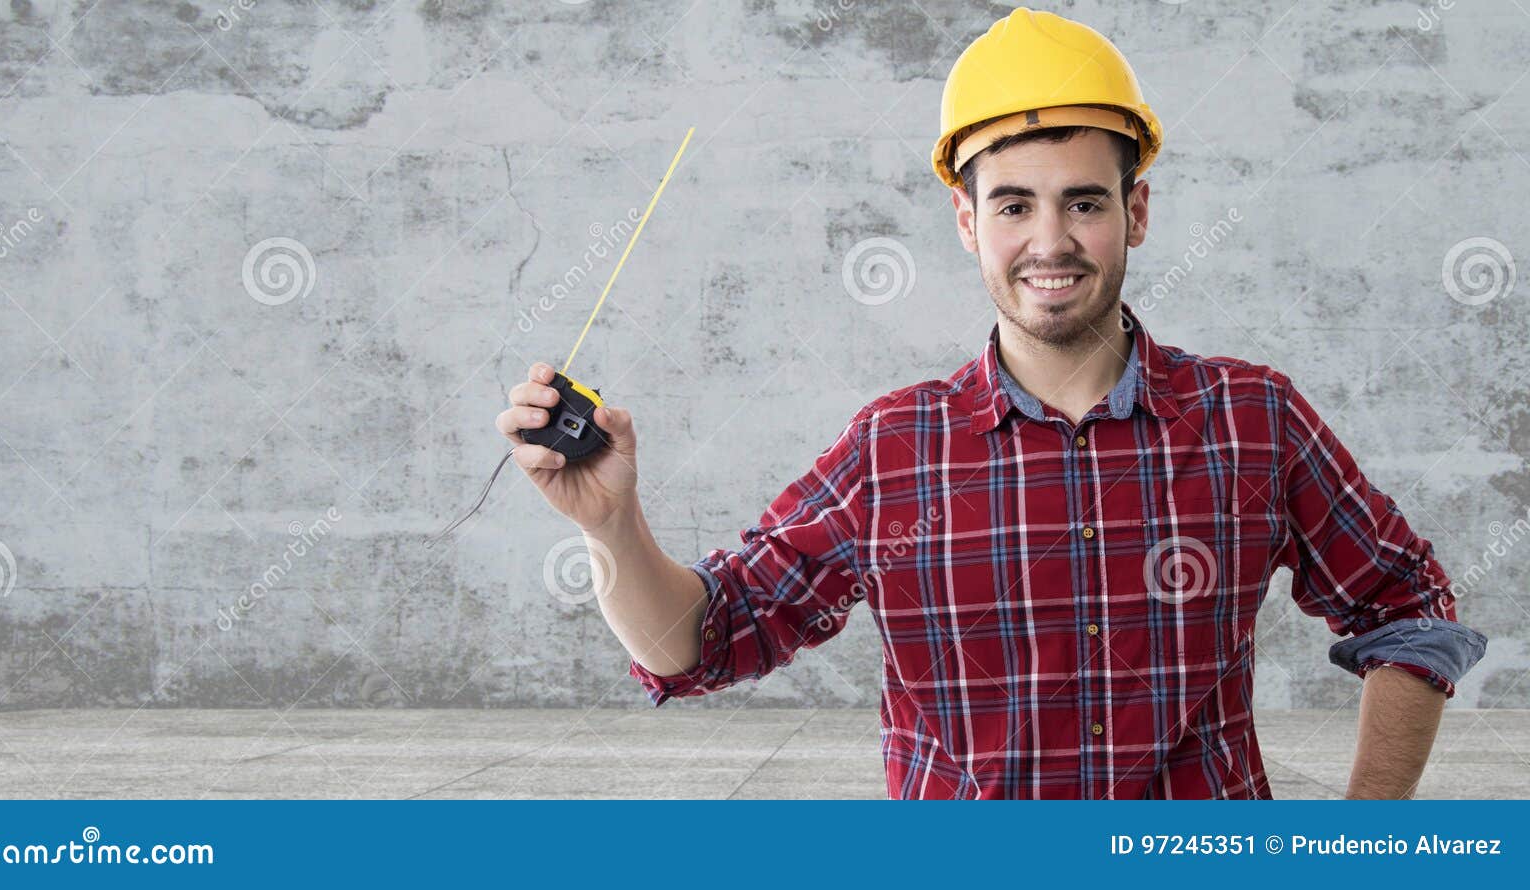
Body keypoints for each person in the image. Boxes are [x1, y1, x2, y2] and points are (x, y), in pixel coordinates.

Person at [496, 7, 1487, 799]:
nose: (1048, 239)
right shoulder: (894, 449)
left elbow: (1406, 605)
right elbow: (699, 640)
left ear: (1136, 211)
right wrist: (613, 523)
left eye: (1084, 201)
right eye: (1013, 204)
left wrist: (1362, 839)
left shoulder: (1252, 418)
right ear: (967, 220)